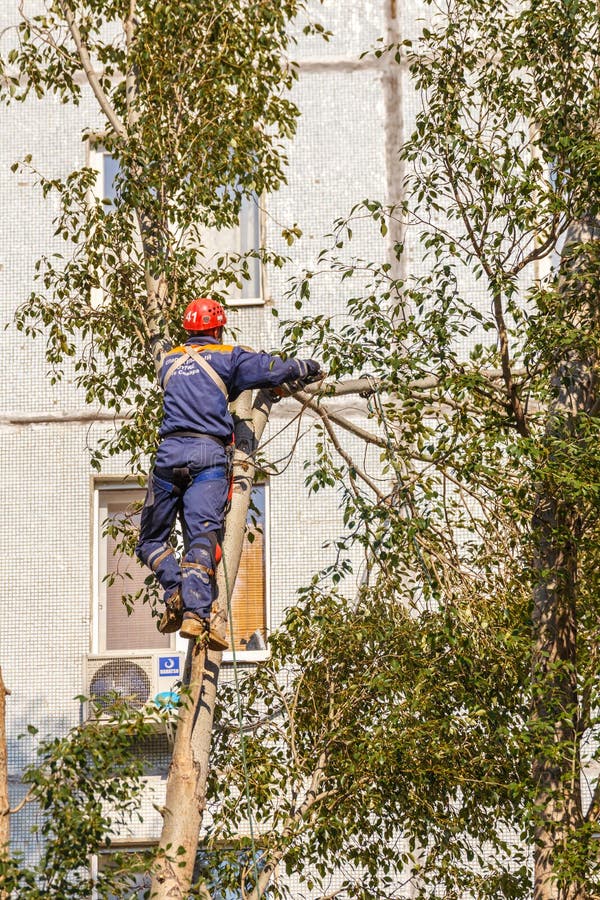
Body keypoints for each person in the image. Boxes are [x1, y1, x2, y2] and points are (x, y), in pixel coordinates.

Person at [136, 297, 322, 650]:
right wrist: (307, 367)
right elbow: (272, 368)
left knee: (150, 541)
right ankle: (194, 612)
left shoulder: (169, 362)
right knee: (203, 538)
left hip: (168, 455)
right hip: (208, 457)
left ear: (187, 330)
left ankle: (175, 591)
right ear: (218, 328)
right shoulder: (227, 357)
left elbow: (173, 362)